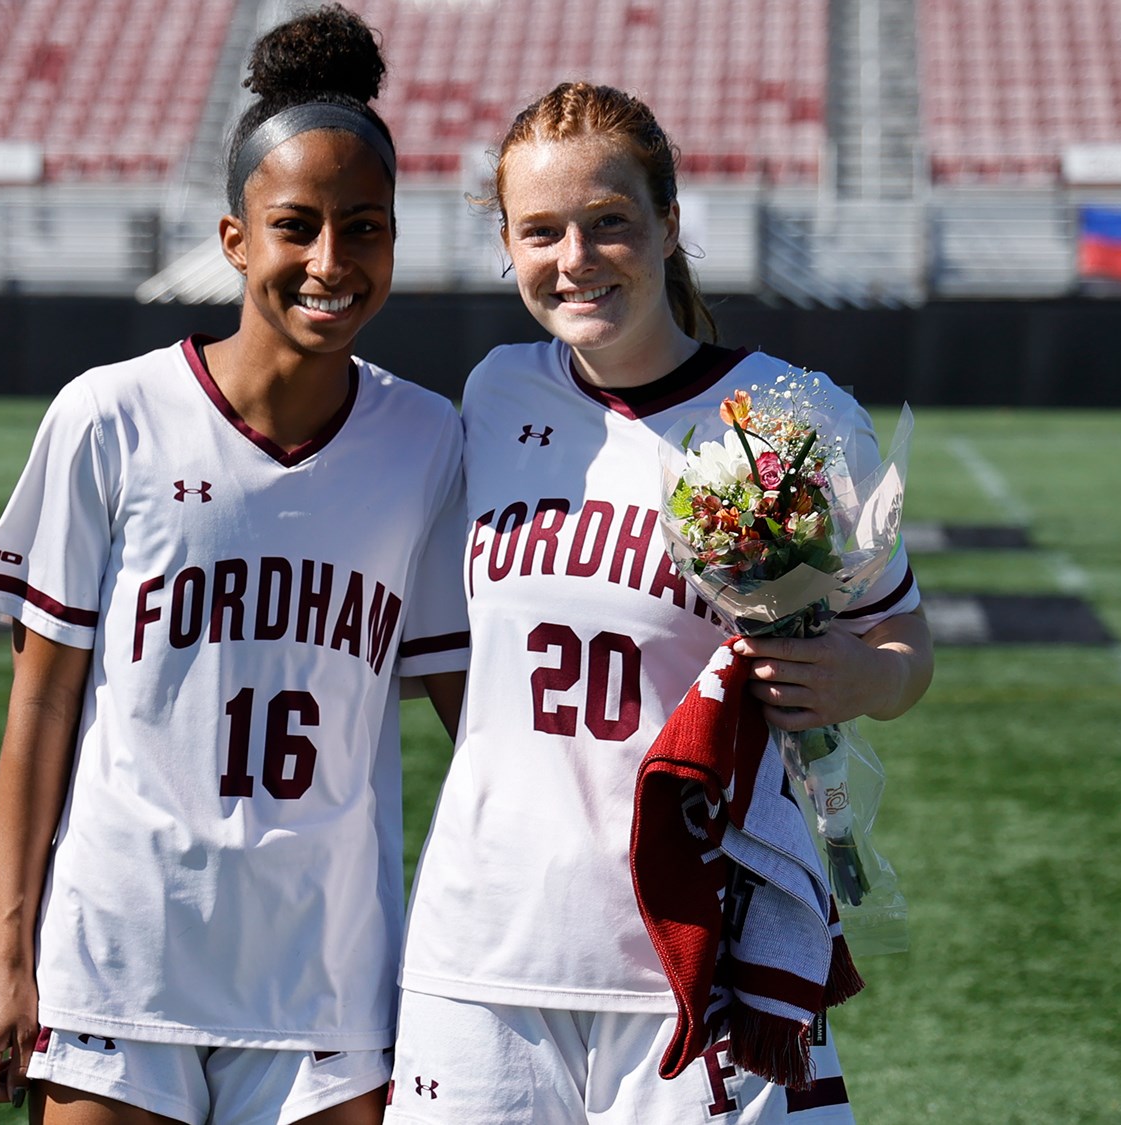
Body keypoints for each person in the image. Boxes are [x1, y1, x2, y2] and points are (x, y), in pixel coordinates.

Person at [0, 8, 468, 1123]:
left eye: (364, 228)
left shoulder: (428, 441)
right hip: (117, 957)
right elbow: (40, 709)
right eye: (295, 226)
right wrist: (6, 959)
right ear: (235, 239)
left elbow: (476, 724)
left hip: (325, 975)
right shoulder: (109, 417)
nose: (330, 262)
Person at [388, 83, 934, 1124]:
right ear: (504, 244)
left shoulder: (790, 416)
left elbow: (903, 644)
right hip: (480, 951)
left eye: (608, 224)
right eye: (538, 231)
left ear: (670, 225)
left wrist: (865, 679)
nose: (574, 259)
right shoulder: (497, 394)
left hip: (693, 948)